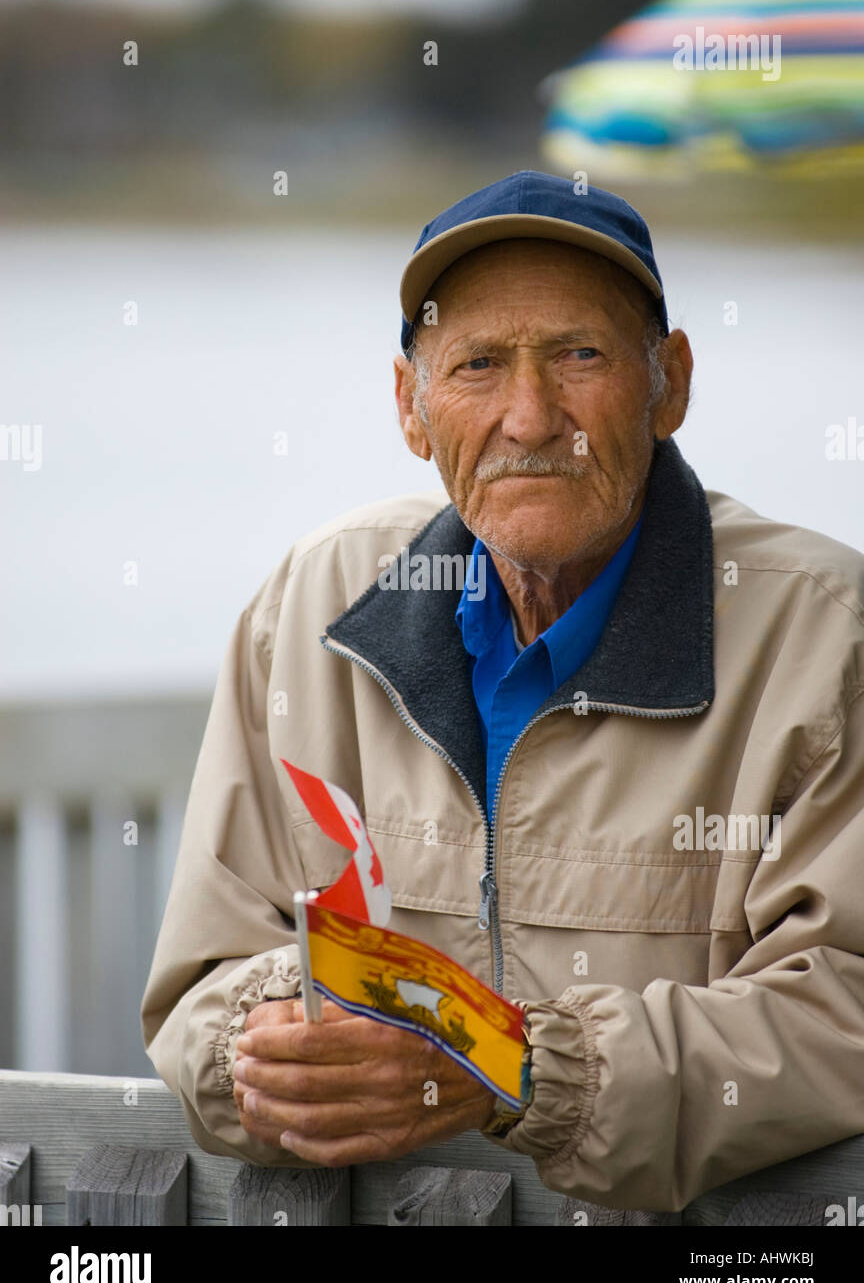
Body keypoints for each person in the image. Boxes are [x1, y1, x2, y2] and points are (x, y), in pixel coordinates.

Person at [141, 170, 864, 1214]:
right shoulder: (309, 606)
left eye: (579, 355)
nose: (530, 418)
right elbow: (201, 987)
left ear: (670, 381)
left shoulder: (822, 631)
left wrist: (508, 1062)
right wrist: (287, 1045)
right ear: (411, 407)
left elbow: (841, 1008)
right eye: (477, 364)